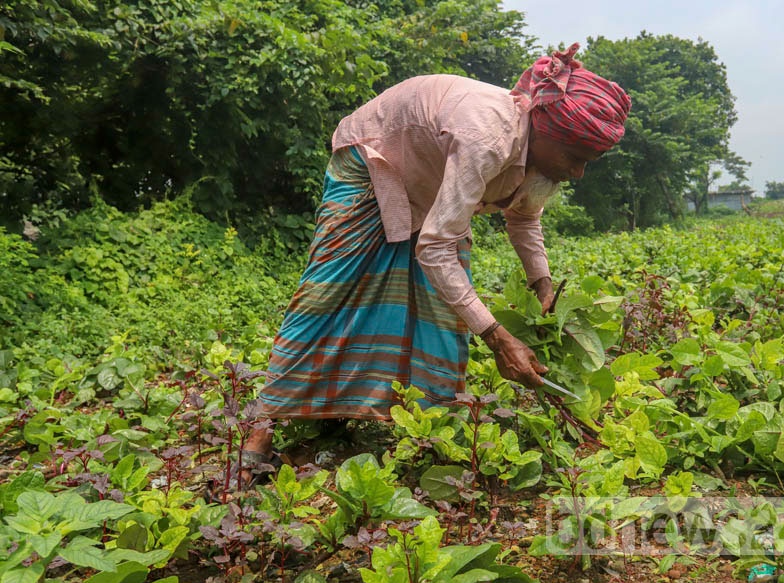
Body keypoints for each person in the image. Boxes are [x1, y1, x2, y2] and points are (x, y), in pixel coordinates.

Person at [240, 42, 631, 467]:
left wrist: (544, 286)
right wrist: (497, 338)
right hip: (373, 162)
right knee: (330, 295)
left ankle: (427, 432)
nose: (577, 172)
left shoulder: (536, 153)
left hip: (432, 186)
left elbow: (523, 217)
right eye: (574, 157)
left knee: (440, 313)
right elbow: (437, 248)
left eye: (588, 162)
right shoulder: (487, 137)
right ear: (544, 129)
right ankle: (262, 428)